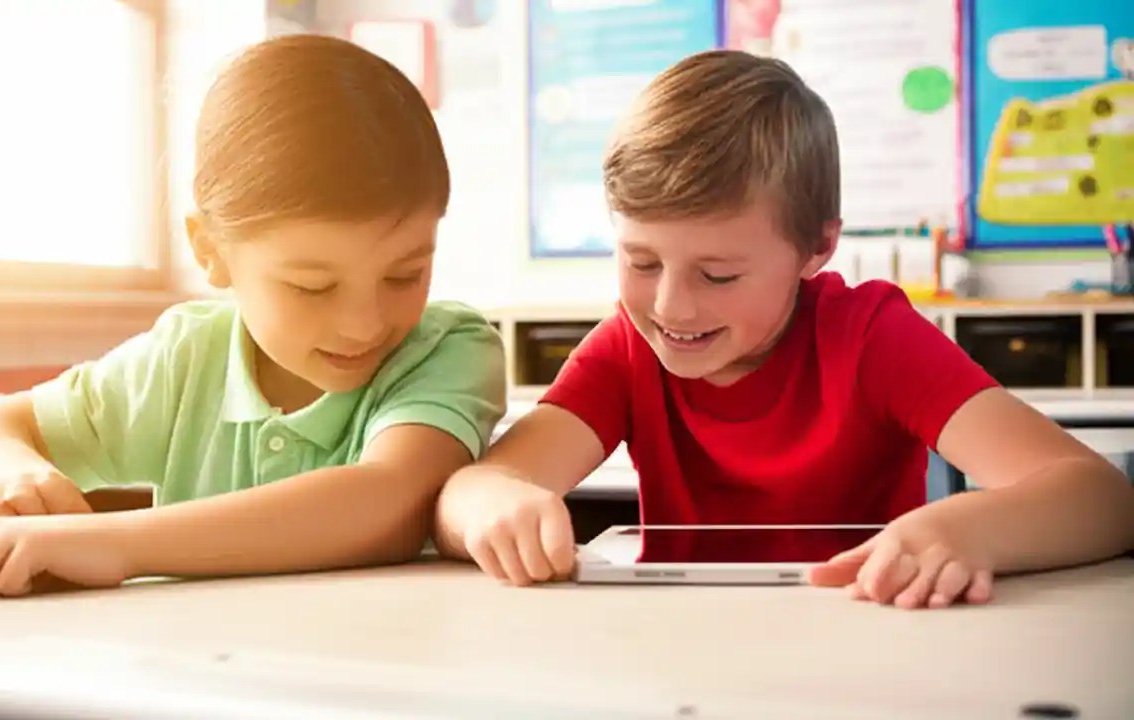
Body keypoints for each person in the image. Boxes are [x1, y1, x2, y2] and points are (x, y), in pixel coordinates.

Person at [432, 50, 1134, 609]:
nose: (671, 308)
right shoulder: (627, 346)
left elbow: (1103, 500)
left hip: (860, 653)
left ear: (817, 248)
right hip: (684, 665)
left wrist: (965, 528)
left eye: (719, 275)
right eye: (641, 261)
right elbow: (471, 491)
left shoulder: (871, 338)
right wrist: (497, 502)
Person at [0, 34, 506, 597]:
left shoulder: (447, 349)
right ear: (210, 251)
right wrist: (18, 497)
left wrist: (104, 544)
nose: (365, 323)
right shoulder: (185, 359)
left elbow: (385, 504)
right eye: (312, 286)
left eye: (405, 275)